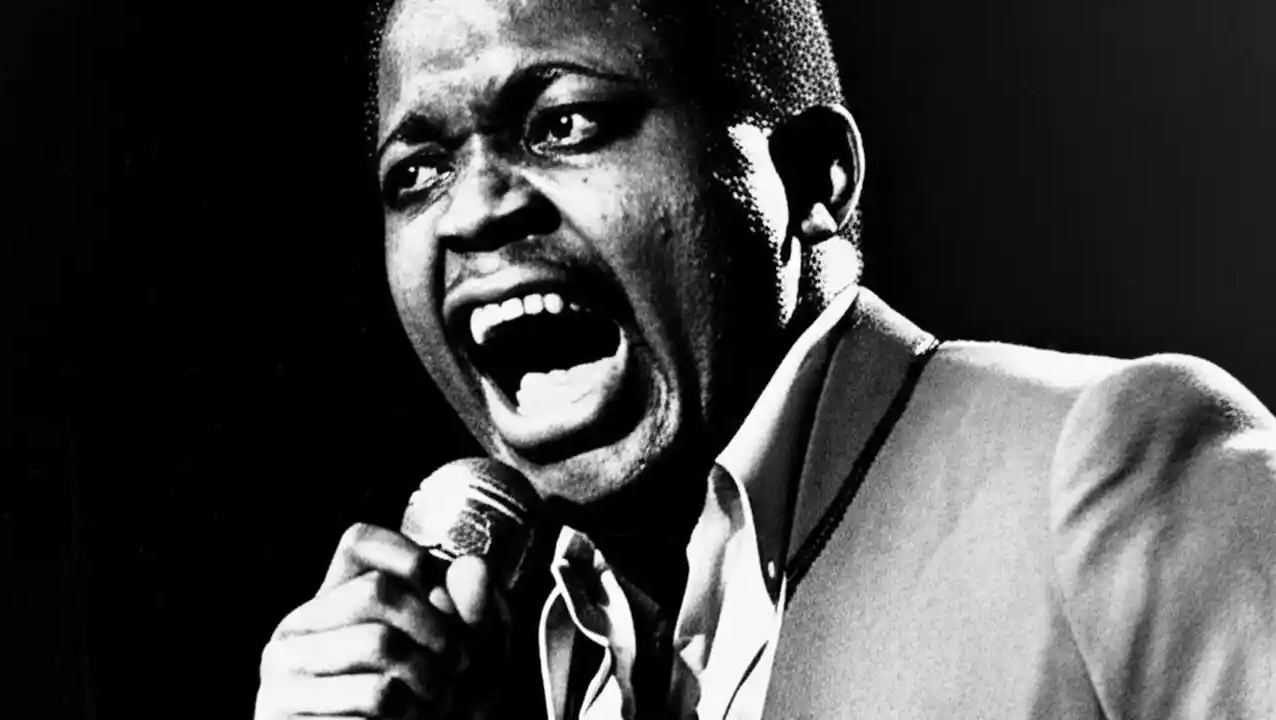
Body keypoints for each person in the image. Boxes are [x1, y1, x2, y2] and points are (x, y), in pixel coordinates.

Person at [254, 0, 1276, 717]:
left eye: (564, 123)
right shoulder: (530, 651)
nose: (474, 208)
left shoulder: (1107, 463)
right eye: (416, 171)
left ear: (811, 182)